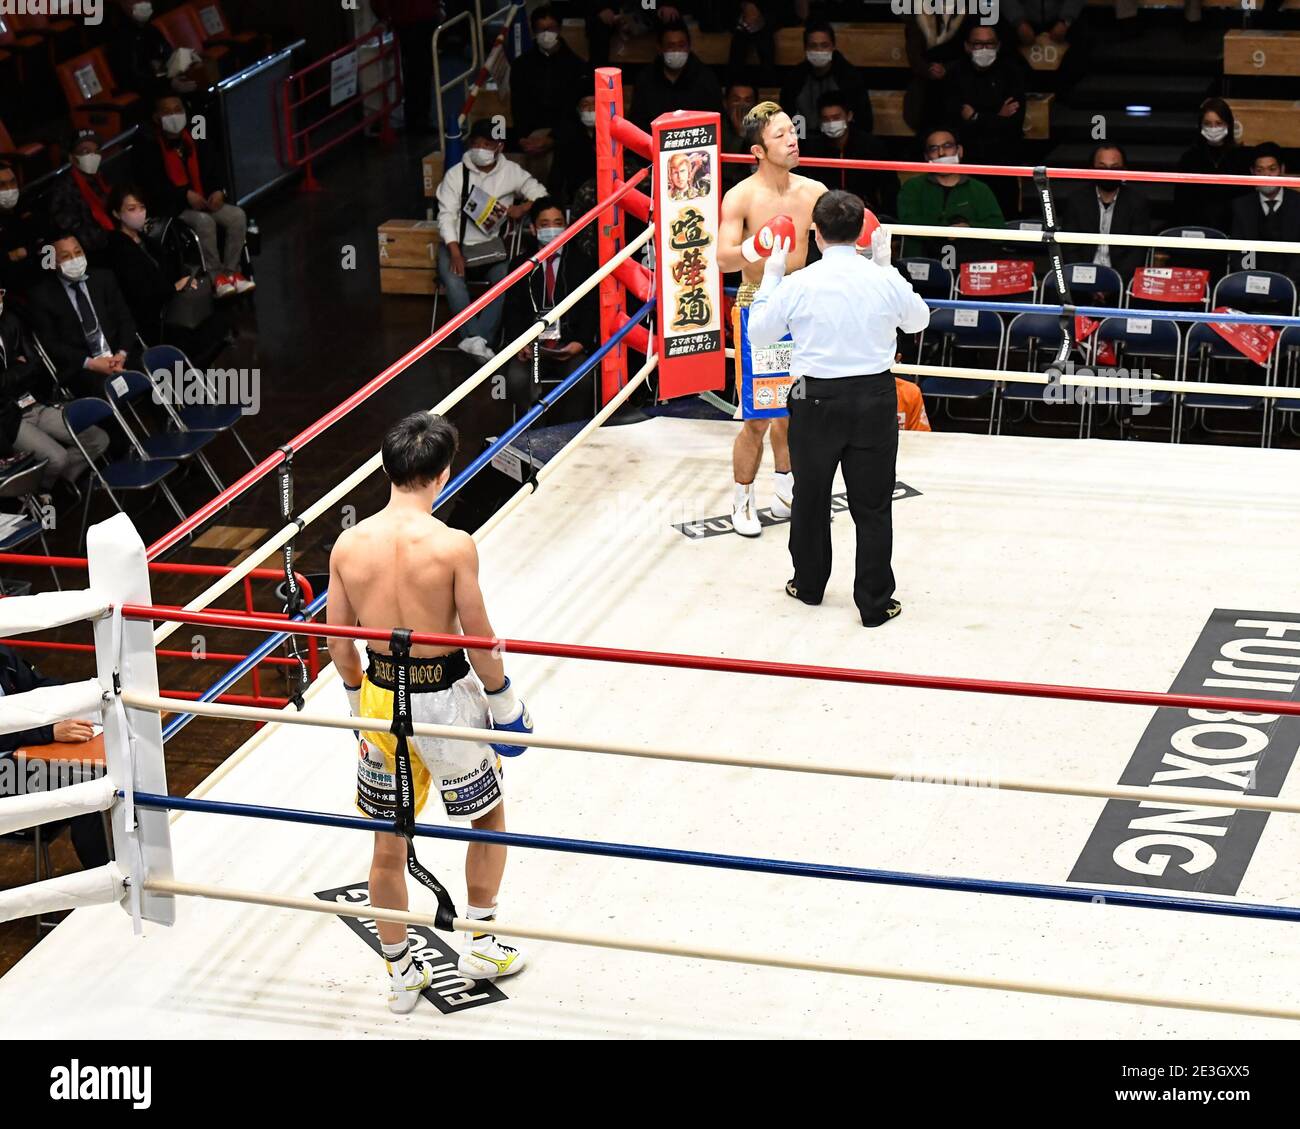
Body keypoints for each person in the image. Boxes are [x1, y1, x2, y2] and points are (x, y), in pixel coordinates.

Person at [326, 411, 532, 1014]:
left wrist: (355, 699)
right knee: (486, 819)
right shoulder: (451, 545)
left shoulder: (347, 543)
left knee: (387, 844)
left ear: (386, 470)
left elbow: (338, 640)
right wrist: (507, 705)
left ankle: (400, 972)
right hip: (444, 700)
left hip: (380, 694)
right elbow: (479, 637)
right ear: (442, 473)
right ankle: (481, 940)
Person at [747, 190, 930, 627]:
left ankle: (807, 585)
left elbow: (759, 334)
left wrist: (770, 278)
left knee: (810, 498)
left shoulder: (798, 283)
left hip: (816, 401)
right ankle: (874, 602)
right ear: (862, 233)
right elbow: (918, 321)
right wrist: (889, 271)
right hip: (874, 399)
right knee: (872, 504)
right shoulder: (882, 280)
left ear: (817, 231)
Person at [717, 101, 826, 538]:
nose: (792, 139)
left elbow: (841, 236)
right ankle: (742, 499)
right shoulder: (740, 196)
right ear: (758, 150)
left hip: (802, 302)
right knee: (758, 417)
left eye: (792, 131)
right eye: (779, 135)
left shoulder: (814, 191)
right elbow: (724, 261)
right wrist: (754, 247)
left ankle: (787, 489)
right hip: (756, 303)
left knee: (798, 409)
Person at [435, 119, 547, 362]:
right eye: (476, 143)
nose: (480, 149)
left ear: (499, 147)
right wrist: (454, 252)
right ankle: (480, 342)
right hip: (457, 246)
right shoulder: (456, 175)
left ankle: (477, 341)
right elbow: (446, 216)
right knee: (454, 282)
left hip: (494, 250)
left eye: (487, 144)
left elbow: (541, 195)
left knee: (506, 280)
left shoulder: (511, 172)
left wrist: (523, 207)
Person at [0, 643, 110, 870]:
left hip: (16, 760)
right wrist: (49, 732)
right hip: (5, 774)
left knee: (104, 771)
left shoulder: (3, 654)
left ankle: (119, 870)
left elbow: (37, 687)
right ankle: (105, 877)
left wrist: (85, 694)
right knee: (83, 787)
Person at [135, 95, 253, 299]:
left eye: (178, 109)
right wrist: (184, 195)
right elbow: (154, 186)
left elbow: (214, 164)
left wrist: (218, 190)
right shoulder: (149, 145)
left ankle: (232, 272)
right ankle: (216, 277)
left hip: (204, 199)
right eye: (167, 111)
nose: (174, 115)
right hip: (175, 208)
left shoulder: (196, 131)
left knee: (237, 216)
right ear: (156, 117)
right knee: (204, 221)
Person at [500, 198, 599, 425]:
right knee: (517, 380)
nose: (552, 228)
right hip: (532, 351)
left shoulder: (582, 262)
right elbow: (512, 310)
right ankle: (536, 438)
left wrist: (580, 343)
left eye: (558, 222)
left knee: (583, 380)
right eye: (545, 224)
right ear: (534, 229)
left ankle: (567, 435)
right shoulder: (520, 265)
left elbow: (590, 308)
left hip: (568, 346)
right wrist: (520, 344)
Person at [0, 295, 109, 493]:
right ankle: (39, 492)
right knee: (58, 457)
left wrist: (16, 372)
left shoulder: (10, 321)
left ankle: (60, 480)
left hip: (34, 402)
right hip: (8, 418)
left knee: (98, 439)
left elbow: (37, 364)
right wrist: (20, 368)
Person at [28, 234, 140, 395]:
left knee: (158, 366)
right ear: (52, 263)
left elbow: (125, 319)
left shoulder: (104, 278)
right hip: (82, 366)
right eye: (65, 256)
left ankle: (172, 419)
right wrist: (92, 364)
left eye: (78, 252)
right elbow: (52, 344)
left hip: (120, 353)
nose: (74, 259)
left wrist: (121, 354)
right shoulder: (42, 296)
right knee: (102, 394)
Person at [943, 23, 1026, 217]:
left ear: (998, 46)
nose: (984, 49)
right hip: (968, 158)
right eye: (978, 44)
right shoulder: (955, 73)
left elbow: (1013, 123)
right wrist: (997, 116)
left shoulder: (1011, 73)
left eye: (989, 44)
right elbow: (953, 120)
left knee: (1005, 213)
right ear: (967, 46)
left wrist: (975, 117)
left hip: (1004, 157)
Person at [105, 185, 202, 344]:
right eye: (131, 208)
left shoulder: (146, 241)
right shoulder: (118, 250)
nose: (139, 212)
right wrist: (174, 288)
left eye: (142, 207)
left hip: (172, 305)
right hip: (154, 319)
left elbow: (168, 269)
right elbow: (140, 294)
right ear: (116, 213)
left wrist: (185, 280)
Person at [896, 127, 1004, 259]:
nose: (941, 153)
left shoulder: (980, 189)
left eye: (947, 146)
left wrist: (969, 228)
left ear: (959, 151)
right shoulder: (913, 187)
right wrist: (945, 230)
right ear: (926, 156)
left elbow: (998, 227)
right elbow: (907, 221)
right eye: (934, 149)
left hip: (969, 261)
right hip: (923, 261)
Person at [508, 4, 591, 171]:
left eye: (551, 28)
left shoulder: (577, 66)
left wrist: (553, 138)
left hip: (564, 131)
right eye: (541, 29)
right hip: (531, 130)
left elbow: (574, 110)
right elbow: (518, 104)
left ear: (559, 29)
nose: (546, 34)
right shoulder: (520, 66)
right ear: (533, 32)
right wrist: (524, 137)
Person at [1058, 143, 1151, 284]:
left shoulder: (1137, 202)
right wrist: (1086, 281)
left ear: (1124, 170)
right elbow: (1069, 249)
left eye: (1115, 168)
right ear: (1091, 170)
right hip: (1080, 277)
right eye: (1102, 168)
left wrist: (1115, 282)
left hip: (1123, 280)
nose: (1108, 172)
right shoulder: (1076, 200)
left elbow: (1137, 253)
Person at [804, 90, 898, 218]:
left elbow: (889, 187)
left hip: (864, 214)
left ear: (849, 116)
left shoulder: (871, 147)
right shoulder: (812, 149)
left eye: (836, 118)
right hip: (825, 216)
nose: (831, 123)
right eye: (826, 119)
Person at [779, 22, 871, 138]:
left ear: (833, 47)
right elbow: (788, 118)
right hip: (807, 142)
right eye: (813, 46)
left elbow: (864, 121)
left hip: (843, 142)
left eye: (824, 45)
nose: (819, 50)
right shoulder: (795, 79)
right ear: (805, 48)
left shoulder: (849, 77)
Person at [1174, 98, 1252, 234]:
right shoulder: (1189, 158)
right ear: (1201, 126)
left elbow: (1246, 201)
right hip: (1196, 230)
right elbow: (1181, 202)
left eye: (1218, 123)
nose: (1213, 128)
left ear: (1228, 124)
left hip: (1234, 230)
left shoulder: (1241, 158)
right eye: (1208, 124)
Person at [628, 21, 722, 131]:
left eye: (681, 45)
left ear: (689, 46)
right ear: (660, 48)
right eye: (670, 46)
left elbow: (714, 122)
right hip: (653, 143)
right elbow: (637, 123)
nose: (676, 51)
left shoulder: (705, 79)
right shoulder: (646, 79)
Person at [371, 0, 444, 135]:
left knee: (418, 72)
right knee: (419, 72)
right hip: (414, 19)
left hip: (410, 19)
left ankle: (418, 119)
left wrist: (386, 18)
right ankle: (418, 120)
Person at [1229, 142, 1300, 281]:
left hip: (1294, 284)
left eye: (1272, 169)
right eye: (1260, 170)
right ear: (1252, 172)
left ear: (1282, 169)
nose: (1266, 175)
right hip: (1252, 284)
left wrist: (1287, 283)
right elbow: (1239, 251)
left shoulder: (1298, 203)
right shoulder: (1241, 206)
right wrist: (1252, 281)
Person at [903, 1, 974, 133]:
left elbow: (975, 48)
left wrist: (947, 68)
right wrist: (928, 68)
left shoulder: (972, 10)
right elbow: (914, 52)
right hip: (928, 81)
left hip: (963, 76)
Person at [49, 130, 118, 263]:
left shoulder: (102, 176)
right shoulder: (63, 188)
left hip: (114, 239)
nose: (93, 156)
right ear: (72, 157)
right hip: (92, 252)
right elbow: (74, 231)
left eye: (96, 151)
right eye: (86, 152)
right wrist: (114, 240)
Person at [0, 160, 44, 296]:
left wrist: (21, 252)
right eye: (2, 185)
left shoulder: (27, 204)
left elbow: (45, 240)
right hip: (15, 289)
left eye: (13, 182)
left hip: (44, 272)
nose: (9, 189)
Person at [549, 92, 599, 205]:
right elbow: (557, 176)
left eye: (594, 104)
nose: (591, 109)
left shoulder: (612, 134)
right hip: (577, 198)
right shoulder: (568, 139)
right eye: (585, 105)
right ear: (578, 110)